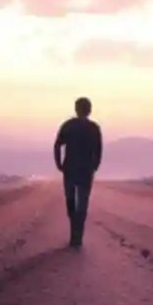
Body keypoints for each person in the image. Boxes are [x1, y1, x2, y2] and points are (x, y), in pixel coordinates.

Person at [53, 97, 102, 248]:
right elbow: (98, 150)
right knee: (82, 203)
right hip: (85, 171)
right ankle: (77, 236)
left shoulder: (68, 125)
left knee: (71, 202)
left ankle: (74, 232)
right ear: (89, 110)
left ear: (76, 109)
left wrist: (59, 164)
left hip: (70, 169)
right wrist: (94, 166)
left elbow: (57, 145)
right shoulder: (94, 128)